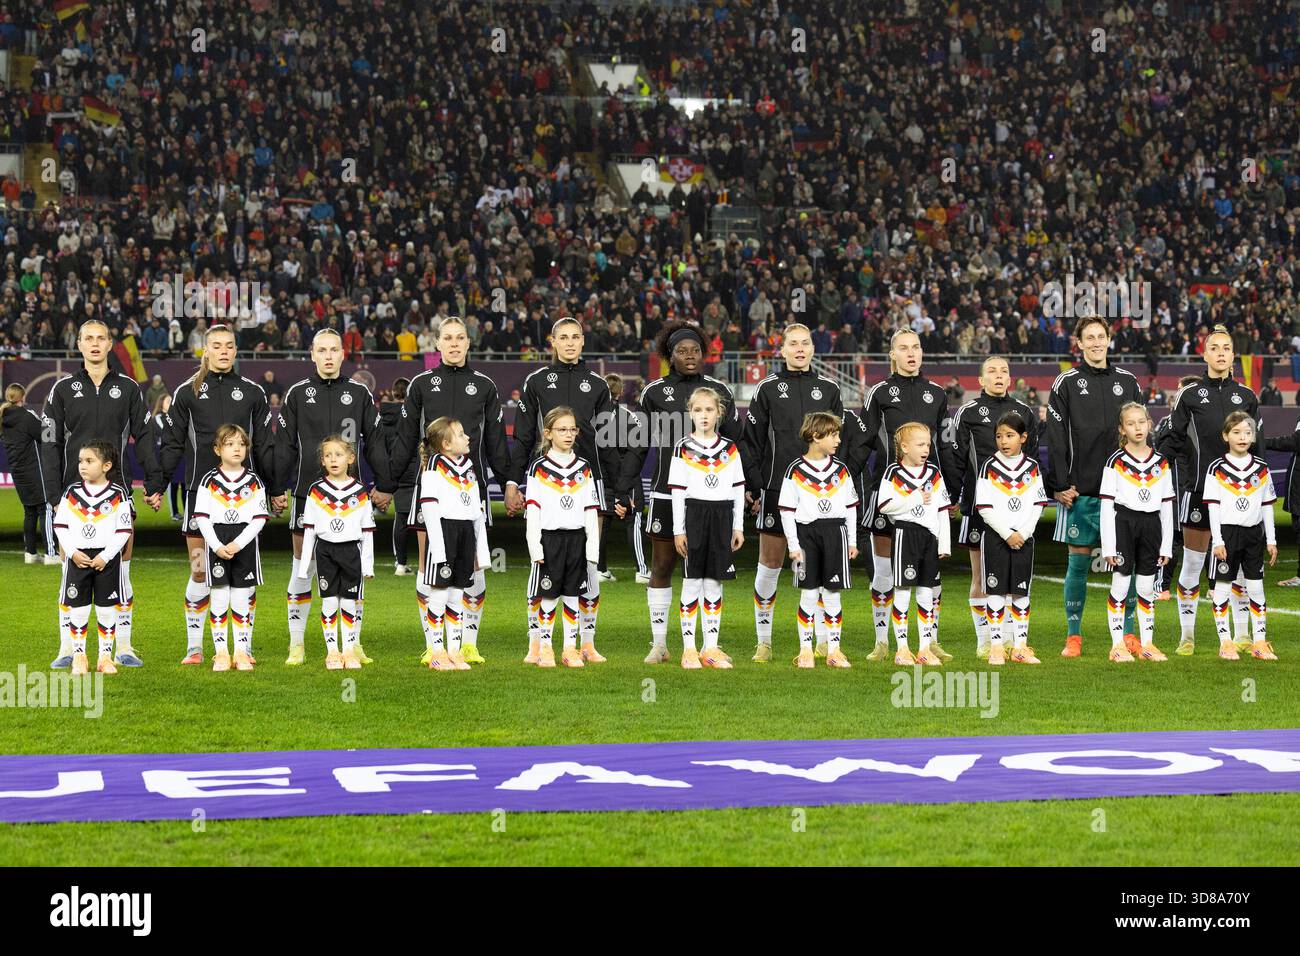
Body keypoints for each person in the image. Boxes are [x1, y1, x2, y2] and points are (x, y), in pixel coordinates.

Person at [615, 322, 745, 662]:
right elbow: (638, 444)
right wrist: (624, 486)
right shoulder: (654, 392)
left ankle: (707, 645)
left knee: (707, 570)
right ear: (669, 355)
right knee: (662, 566)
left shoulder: (719, 390)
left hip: (711, 498)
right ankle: (659, 644)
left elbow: (736, 443)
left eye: (696, 350)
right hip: (665, 494)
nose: (690, 356)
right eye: (682, 351)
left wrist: (747, 489)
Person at [386, 317, 513, 661]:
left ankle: (467, 642)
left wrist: (510, 483)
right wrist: (387, 484)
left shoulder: (485, 386)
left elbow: (497, 443)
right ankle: (433, 645)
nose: (454, 344)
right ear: (437, 344)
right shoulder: (421, 384)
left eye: (460, 338)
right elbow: (404, 439)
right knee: (432, 564)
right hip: (432, 489)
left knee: (473, 566)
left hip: (472, 488)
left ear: (468, 344)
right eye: (447, 338)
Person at [43, 319, 165, 670]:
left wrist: (154, 482)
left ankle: (123, 647)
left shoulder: (128, 388)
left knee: (121, 571)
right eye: (88, 339)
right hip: (71, 496)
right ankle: (69, 647)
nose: (94, 344)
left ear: (110, 344)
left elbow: (142, 437)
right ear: (78, 344)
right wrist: (54, 496)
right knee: (70, 571)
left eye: (100, 338)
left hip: (118, 497)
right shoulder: (62, 389)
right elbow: (49, 444)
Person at [271, 328, 391, 665]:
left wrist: (384, 484)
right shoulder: (297, 393)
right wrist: (278, 487)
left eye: (333, 350)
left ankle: (353, 644)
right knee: (303, 569)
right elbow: (285, 445)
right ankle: (297, 644)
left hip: (351, 500)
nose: (327, 356)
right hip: (306, 497)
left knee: (352, 571)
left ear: (342, 354)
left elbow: (377, 442)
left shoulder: (360, 394)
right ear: (312, 355)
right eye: (321, 350)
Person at [161, 324, 277, 665]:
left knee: (243, 576)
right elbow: (171, 443)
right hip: (201, 496)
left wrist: (276, 490)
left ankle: (244, 646)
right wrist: (156, 485)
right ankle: (195, 647)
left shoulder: (253, 392)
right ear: (205, 351)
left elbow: (266, 445)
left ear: (236, 351)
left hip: (243, 501)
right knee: (200, 571)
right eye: (216, 346)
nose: (223, 351)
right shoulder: (187, 392)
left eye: (229, 346)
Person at [508, 317, 621, 657]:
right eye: (563, 338)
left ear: (583, 342)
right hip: (547, 483)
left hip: (589, 481)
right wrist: (514, 482)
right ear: (553, 342)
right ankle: (536, 644)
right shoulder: (537, 381)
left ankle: (586, 644)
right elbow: (524, 436)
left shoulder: (597, 384)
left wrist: (616, 490)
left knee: (589, 563)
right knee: (542, 561)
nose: (570, 343)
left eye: (576, 337)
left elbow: (610, 441)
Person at [742, 323, 843, 662]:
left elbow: (838, 442)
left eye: (805, 343)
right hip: (776, 489)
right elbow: (750, 442)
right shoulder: (768, 388)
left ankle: (820, 643)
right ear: (781, 350)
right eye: (793, 344)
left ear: (813, 349)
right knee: (770, 563)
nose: (800, 349)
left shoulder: (828, 389)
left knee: (815, 566)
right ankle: (764, 641)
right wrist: (755, 485)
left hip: (820, 494)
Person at [854, 329, 955, 662]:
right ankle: (883, 641)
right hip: (889, 493)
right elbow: (865, 439)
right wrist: (848, 479)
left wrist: (951, 489)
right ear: (892, 355)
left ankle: (930, 641)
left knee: (930, 570)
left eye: (915, 348)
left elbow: (944, 446)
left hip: (928, 496)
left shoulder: (937, 394)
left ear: (922, 353)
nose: (911, 354)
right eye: (903, 348)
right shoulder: (880, 393)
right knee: (886, 572)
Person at [1044, 316, 1142, 658]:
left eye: (1102, 336)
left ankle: (1129, 635)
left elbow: (1139, 432)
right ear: (1080, 344)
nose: (1097, 342)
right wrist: (1059, 483)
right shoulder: (1066, 383)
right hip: (1081, 489)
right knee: (1079, 562)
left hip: (1125, 492)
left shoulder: (1128, 382)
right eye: (1090, 337)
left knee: (1125, 562)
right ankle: (1074, 636)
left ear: (1109, 340)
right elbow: (1055, 436)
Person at [1165, 325, 1261, 656]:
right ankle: (1187, 636)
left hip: (1240, 497)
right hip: (1199, 492)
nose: (1220, 353)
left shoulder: (1247, 396)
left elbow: (1256, 448)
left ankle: (1244, 634)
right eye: (1214, 348)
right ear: (1204, 354)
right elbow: (1172, 441)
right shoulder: (1188, 396)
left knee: (1239, 566)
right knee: (1192, 563)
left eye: (1226, 348)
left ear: (1233, 356)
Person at [951, 355, 1039, 658]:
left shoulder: (1025, 412)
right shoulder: (968, 412)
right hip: (980, 509)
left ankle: (1016, 643)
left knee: (1016, 580)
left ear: (1010, 378)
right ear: (980, 380)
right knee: (981, 578)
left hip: (1017, 511)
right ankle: (985, 641)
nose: (999, 376)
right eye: (992, 371)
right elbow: (957, 458)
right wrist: (953, 495)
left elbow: (1033, 461)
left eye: (1004, 371)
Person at [668, 386, 745, 669]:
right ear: (690, 413)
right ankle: (689, 649)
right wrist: (679, 530)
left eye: (709, 410)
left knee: (714, 582)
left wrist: (738, 526)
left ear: (719, 413)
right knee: (691, 583)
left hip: (722, 516)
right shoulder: (683, 447)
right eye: (698, 410)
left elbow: (738, 488)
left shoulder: (729, 449)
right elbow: (677, 491)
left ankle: (710, 647)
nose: (703, 415)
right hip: (695, 516)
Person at [522, 406, 602, 669]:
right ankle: (545, 647)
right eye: (561, 430)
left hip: (577, 540)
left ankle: (570, 648)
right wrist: (536, 548)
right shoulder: (539, 468)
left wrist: (592, 550)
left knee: (572, 596)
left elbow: (591, 510)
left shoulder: (584, 467)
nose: (568, 434)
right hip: (549, 540)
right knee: (547, 596)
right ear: (548, 433)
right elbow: (533, 511)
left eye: (572, 429)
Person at [779, 411, 859, 669]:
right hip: (807, 536)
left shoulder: (842, 470)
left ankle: (834, 651)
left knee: (833, 594)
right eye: (833, 435)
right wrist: (793, 545)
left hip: (836, 534)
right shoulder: (795, 470)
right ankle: (805, 651)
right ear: (816, 436)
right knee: (809, 593)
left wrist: (853, 541)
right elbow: (787, 511)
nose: (838, 440)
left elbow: (851, 508)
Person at [292, 436, 377, 670]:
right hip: (325, 552)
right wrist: (303, 568)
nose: (333, 459)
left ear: (350, 458)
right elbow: (309, 530)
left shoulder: (360, 491)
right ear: (322, 461)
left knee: (349, 603)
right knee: (329, 602)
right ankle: (332, 652)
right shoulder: (316, 490)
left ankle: (349, 650)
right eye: (328, 455)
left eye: (338, 455)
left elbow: (367, 532)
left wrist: (367, 566)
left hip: (351, 551)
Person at [1099, 403, 1174, 663]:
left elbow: (1167, 505)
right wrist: (1108, 547)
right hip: (1124, 524)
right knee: (1120, 584)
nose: (1137, 427)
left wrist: (1166, 545)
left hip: (1151, 525)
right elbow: (1107, 506)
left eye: (1141, 421)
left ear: (1149, 423)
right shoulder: (1115, 461)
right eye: (1131, 423)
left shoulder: (1161, 462)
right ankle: (1117, 645)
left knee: (1146, 586)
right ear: (1122, 429)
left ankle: (1148, 644)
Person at [875, 421, 954, 666]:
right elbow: (885, 506)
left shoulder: (933, 473)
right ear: (904, 447)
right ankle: (902, 648)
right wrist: (915, 498)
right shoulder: (893, 473)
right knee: (902, 590)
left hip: (929, 537)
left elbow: (942, 509)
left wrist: (944, 544)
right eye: (920, 444)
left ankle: (924, 649)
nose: (926, 449)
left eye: (928, 444)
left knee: (927, 593)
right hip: (904, 534)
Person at [192, 424, 270, 672]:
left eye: (241, 444)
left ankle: (241, 651)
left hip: (243, 542)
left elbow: (259, 518)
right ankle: (221, 653)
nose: (237, 448)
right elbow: (201, 517)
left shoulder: (254, 480)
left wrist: (238, 543)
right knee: (219, 596)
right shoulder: (209, 480)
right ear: (217, 449)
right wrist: (216, 545)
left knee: (240, 597)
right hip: (217, 540)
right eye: (229, 444)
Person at [974, 411, 1049, 665]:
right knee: (995, 591)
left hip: (1024, 538)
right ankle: (996, 646)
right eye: (998, 436)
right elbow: (984, 507)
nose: (1003, 441)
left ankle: (1020, 647)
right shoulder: (989, 467)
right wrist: (1007, 534)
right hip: (997, 537)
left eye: (1009, 435)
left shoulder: (1032, 467)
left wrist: (1023, 533)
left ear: (1024, 437)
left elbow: (1039, 504)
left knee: (1020, 593)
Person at [1203, 412, 1278, 660]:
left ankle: (1259, 642)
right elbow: (1213, 507)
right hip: (1228, 534)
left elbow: (1267, 506)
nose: (1242, 437)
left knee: (1256, 588)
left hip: (1253, 536)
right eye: (1236, 432)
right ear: (1226, 436)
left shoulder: (1262, 469)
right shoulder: (1217, 468)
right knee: (1223, 588)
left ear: (1254, 437)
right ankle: (1226, 642)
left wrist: (1272, 540)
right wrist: (1218, 540)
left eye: (1247, 432)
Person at [52, 441, 132, 676]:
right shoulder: (72, 492)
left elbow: (123, 530)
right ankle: (79, 656)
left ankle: (105, 657)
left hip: (106, 560)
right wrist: (73, 552)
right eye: (80, 461)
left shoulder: (118, 495)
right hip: (78, 559)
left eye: (89, 461)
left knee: (107, 609)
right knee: (78, 608)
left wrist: (106, 556)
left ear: (106, 465)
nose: (83, 466)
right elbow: (60, 525)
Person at [418, 416, 491, 671]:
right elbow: (429, 509)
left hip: (465, 533)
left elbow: (475, 510)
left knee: (458, 593)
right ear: (446, 444)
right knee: (439, 593)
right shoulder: (434, 467)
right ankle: (437, 652)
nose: (467, 437)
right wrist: (438, 549)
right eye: (461, 434)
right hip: (444, 533)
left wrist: (480, 549)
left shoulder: (468, 467)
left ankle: (454, 652)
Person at [1152, 376, 1203, 599]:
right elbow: (1161, 453)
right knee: (1171, 537)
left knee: (1204, 537)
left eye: (1182, 390)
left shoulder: (1205, 422)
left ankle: (1212, 584)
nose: (1178, 395)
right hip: (1174, 489)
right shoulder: (1168, 421)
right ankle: (1162, 586)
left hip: (1198, 488)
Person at [1, 382, 60, 564]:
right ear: (23, 397)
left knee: (29, 511)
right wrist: (51, 419)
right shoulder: (27, 416)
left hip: (18, 471)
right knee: (46, 508)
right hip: (34, 470)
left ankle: (31, 553)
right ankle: (51, 554)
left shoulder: (3, 419)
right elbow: (47, 436)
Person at [601, 373, 650, 584]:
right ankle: (641, 569)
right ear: (620, 392)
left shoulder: (593, 416)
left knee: (602, 523)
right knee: (634, 521)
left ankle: (599, 569)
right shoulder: (630, 416)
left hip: (602, 478)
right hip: (626, 478)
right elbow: (634, 453)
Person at [380, 378, 417, 576]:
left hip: (396, 470)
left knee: (401, 519)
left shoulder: (384, 416)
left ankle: (401, 564)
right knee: (425, 519)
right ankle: (429, 563)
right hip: (415, 470)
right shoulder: (414, 414)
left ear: (394, 393)